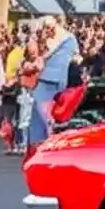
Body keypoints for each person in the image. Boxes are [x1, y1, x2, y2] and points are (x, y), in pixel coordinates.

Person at [30, 17, 77, 147]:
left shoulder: (57, 39)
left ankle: (44, 139)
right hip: (60, 78)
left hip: (48, 78)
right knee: (56, 110)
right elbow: (76, 57)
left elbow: (38, 53)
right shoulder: (70, 38)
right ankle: (53, 138)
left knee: (42, 111)